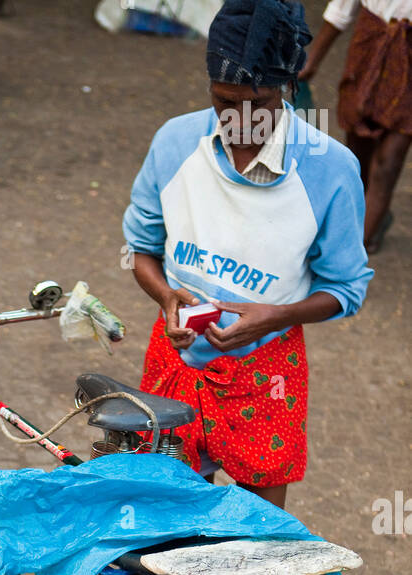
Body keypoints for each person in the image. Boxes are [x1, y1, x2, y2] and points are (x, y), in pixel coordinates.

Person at [122, 0, 372, 510]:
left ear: (288, 88)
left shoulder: (331, 169)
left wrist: (274, 316)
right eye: (223, 101)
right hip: (177, 356)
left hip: (267, 374)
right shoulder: (174, 143)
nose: (239, 120)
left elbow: (346, 288)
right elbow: (140, 250)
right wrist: (167, 297)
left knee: (255, 545)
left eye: (257, 104)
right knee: (164, 528)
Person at [300, 0, 412, 251]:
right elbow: (341, 8)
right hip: (369, 43)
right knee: (357, 154)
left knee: (388, 162)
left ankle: (356, 248)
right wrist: (313, 59)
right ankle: (363, 222)